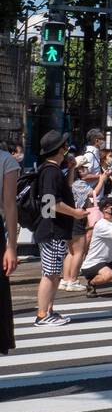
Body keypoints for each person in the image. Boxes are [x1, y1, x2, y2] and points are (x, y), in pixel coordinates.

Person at [33, 131, 86, 326]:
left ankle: (48, 310)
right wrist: (75, 213)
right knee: (50, 274)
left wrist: (71, 168)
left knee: (54, 273)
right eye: (65, 145)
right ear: (60, 149)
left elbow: (66, 189)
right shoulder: (51, 171)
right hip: (52, 229)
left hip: (55, 229)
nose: (68, 148)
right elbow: (51, 203)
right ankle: (41, 314)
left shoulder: (53, 170)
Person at [61, 152, 109, 292]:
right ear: (79, 169)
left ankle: (65, 279)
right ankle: (73, 280)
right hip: (77, 217)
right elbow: (93, 193)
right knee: (79, 252)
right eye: (84, 168)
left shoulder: (68, 181)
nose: (87, 170)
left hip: (69, 217)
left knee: (71, 251)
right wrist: (102, 180)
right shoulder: (78, 183)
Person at [81, 196, 112, 297]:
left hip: (109, 260)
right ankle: (91, 284)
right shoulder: (101, 224)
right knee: (109, 275)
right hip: (93, 263)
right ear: (104, 209)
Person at [1, 132, 19, 352]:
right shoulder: (6, 160)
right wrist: (11, 246)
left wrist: (11, 246)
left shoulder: (6, 160)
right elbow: (9, 205)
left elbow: (9, 205)